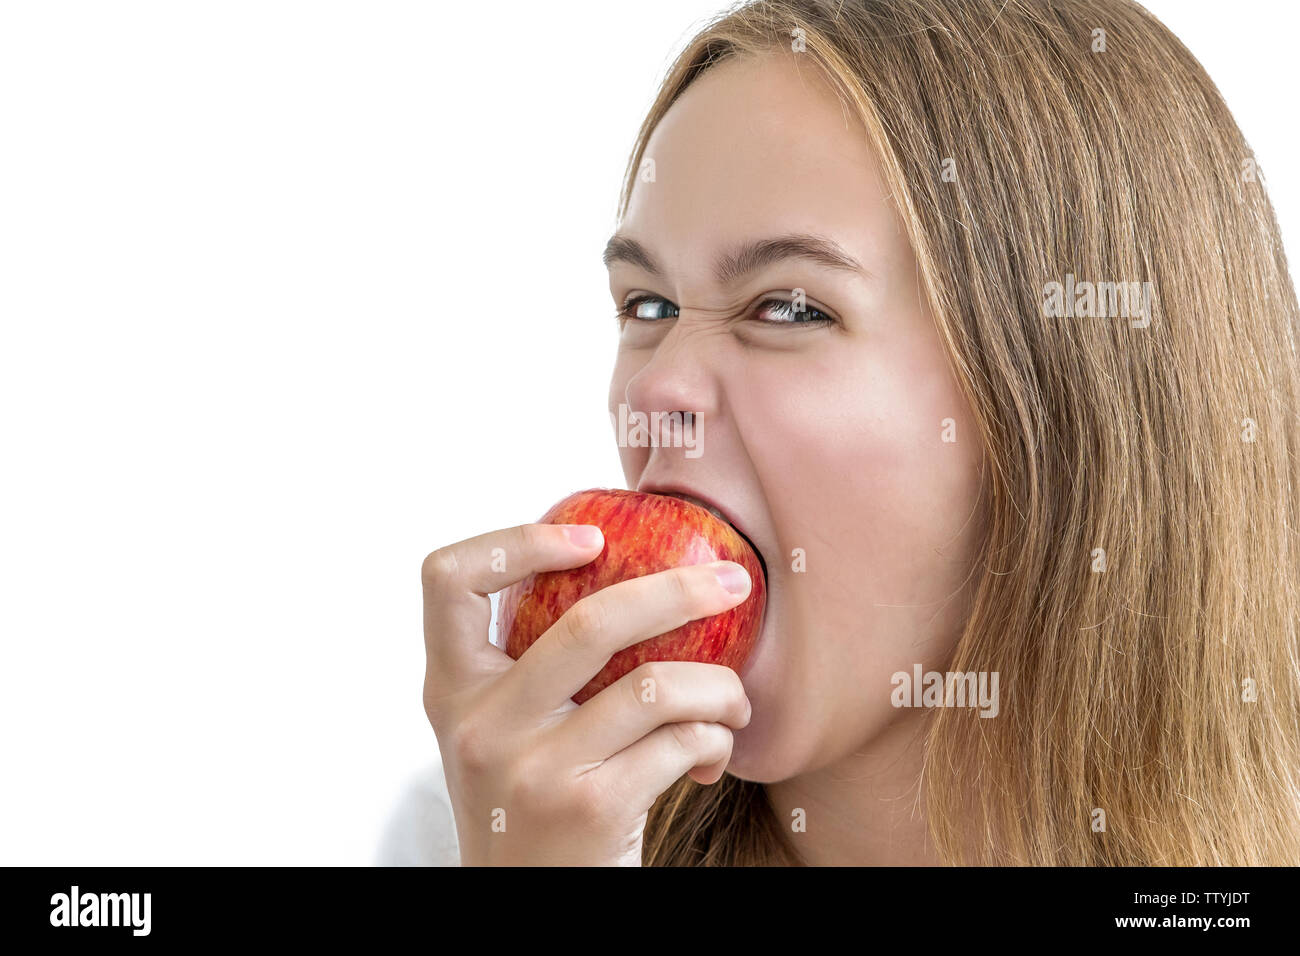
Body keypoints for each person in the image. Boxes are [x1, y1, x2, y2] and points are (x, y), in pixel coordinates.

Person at [403, 0, 1300, 866]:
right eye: (649, 304)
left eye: (789, 307)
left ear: (1070, 405)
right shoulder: (483, 841)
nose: (655, 385)